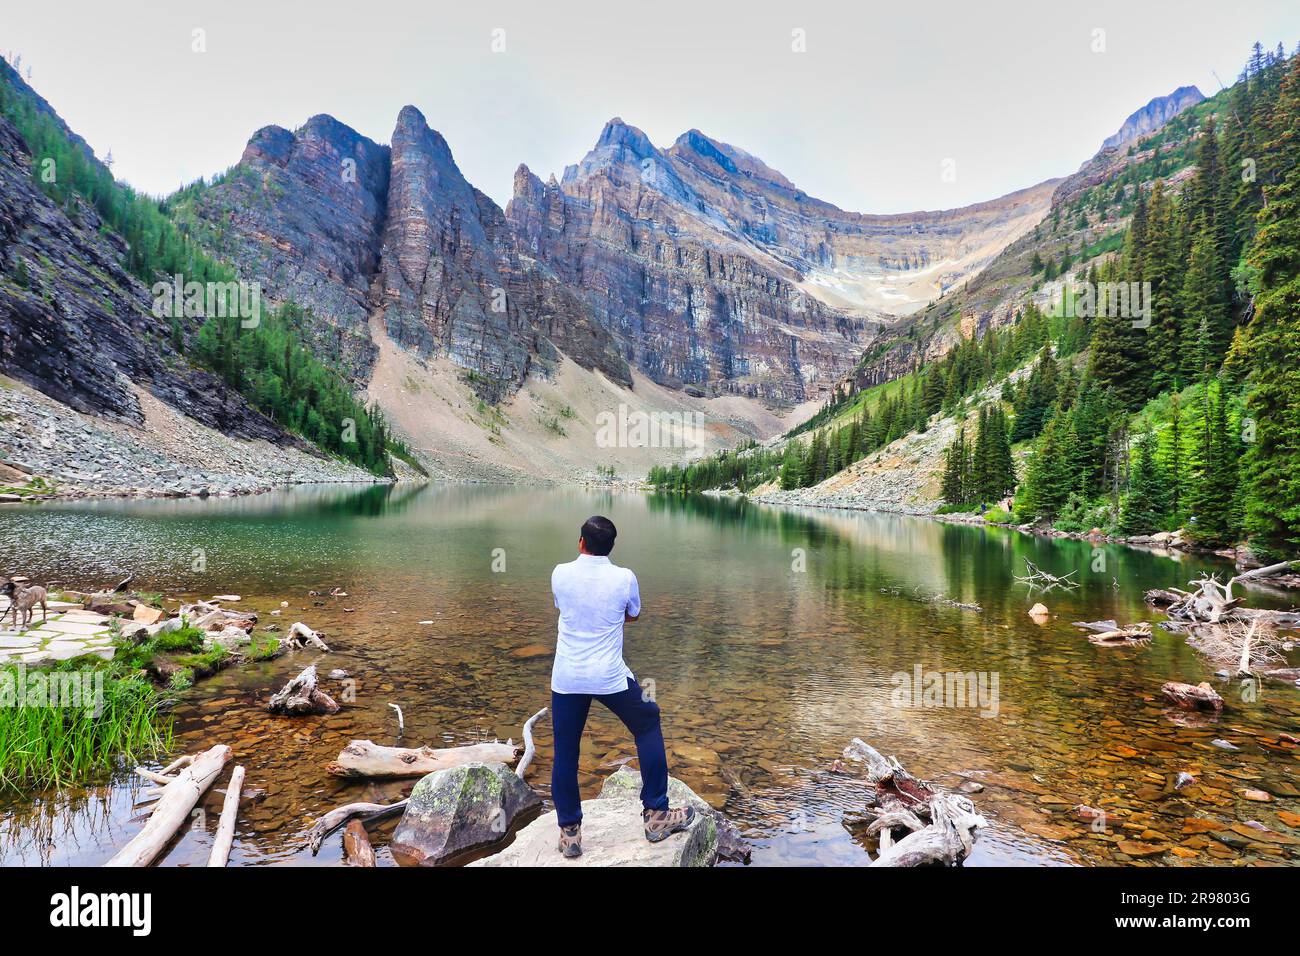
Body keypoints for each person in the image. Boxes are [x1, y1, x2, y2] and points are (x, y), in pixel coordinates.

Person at [548, 515, 694, 858]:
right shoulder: (624, 578)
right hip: (610, 676)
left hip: (567, 677)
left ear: (581, 542)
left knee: (565, 751)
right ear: (611, 548)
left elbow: (564, 606)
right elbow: (633, 615)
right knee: (648, 720)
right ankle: (656, 814)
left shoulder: (559, 573)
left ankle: (570, 834)